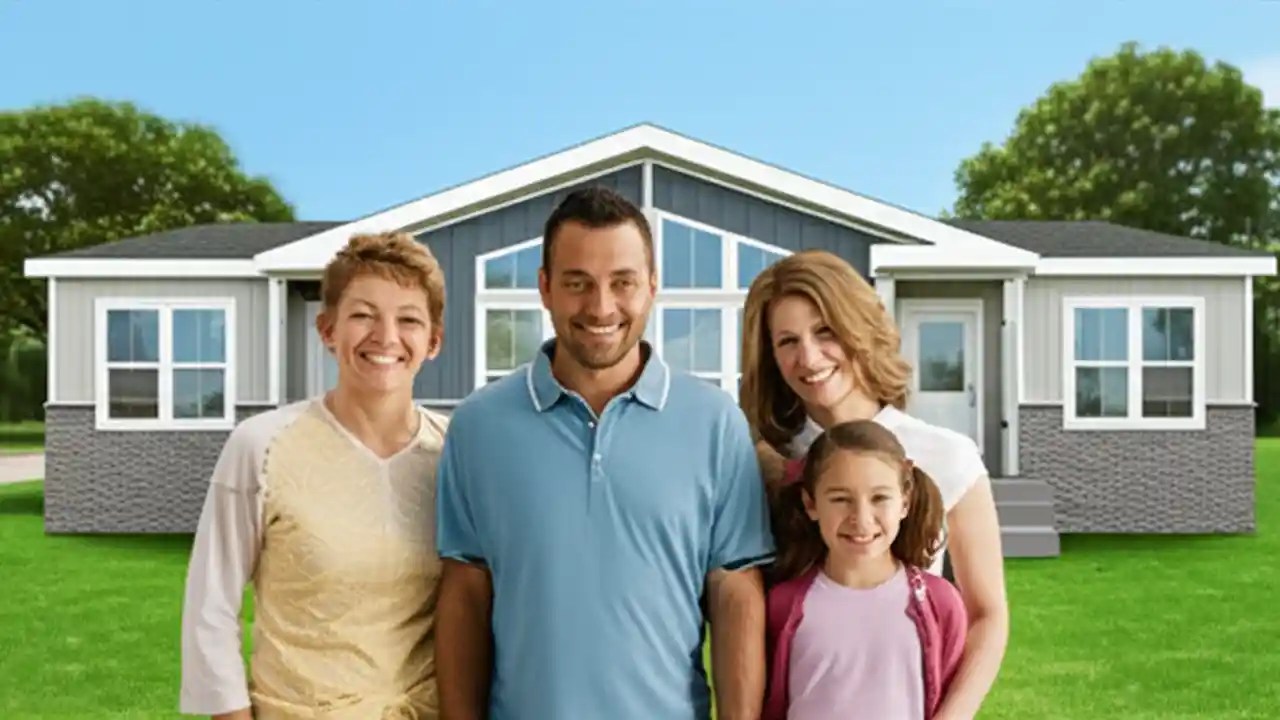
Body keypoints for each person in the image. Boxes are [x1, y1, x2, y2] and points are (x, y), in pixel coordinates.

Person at [434, 186, 776, 720]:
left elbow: (735, 596)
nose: (601, 307)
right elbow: (465, 595)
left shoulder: (714, 423)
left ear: (653, 287)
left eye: (623, 283)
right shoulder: (478, 426)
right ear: (545, 288)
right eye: (578, 284)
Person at [178, 232, 451, 719]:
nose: (385, 336)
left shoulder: (456, 453)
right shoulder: (261, 446)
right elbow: (210, 611)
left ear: (433, 341)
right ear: (327, 330)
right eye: (363, 314)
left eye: (408, 319)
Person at [739, 249, 1008, 719]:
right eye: (787, 341)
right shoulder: (759, 466)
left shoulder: (948, 456)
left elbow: (988, 616)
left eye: (825, 332)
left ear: (857, 327)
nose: (809, 357)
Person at [762, 419, 967, 720]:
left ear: (905, 502)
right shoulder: (781, 605)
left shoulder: (940, 604)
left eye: (880, 498)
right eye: (841, 499)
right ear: (811, 504)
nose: (861, 518)